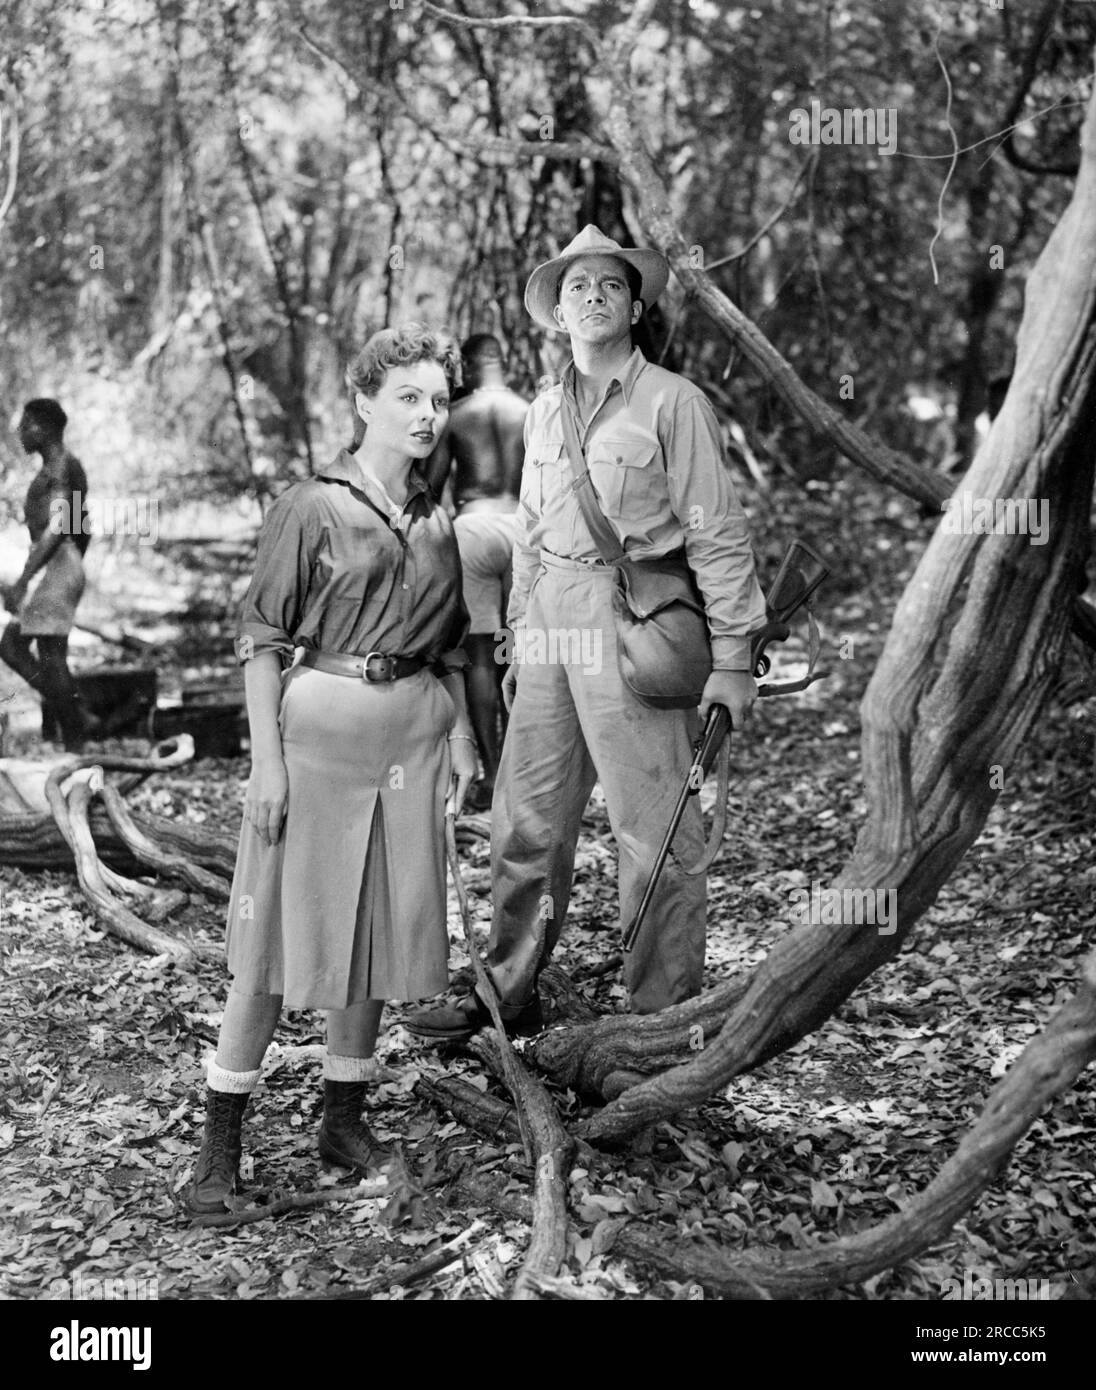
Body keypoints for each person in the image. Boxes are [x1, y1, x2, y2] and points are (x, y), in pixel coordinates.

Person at [408, 225, 767, 1043]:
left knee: (652, 831)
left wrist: (735, 659)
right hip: (551, 624)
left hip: (632, 613)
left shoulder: (673, 402)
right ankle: (510, 987)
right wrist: (521, 643)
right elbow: (532, 536)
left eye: (609, 284)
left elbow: (717, 533)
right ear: (557, 313)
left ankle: (660, 1018)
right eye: (577, 287)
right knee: (525, 817)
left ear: (635, 306)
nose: (593, 296)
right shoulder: (542, 412)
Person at [187, 324, 477, 1217]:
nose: (427, 416)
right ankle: (217, 1157)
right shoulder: (310, 506)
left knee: (378, 933)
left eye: (438, 401)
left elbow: (452, 647)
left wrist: (461, 737)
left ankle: (342, 1122)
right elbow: (261, 641)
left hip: (413, 741)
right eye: (408, 399)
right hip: (318, 742)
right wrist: (266, 766)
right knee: (274, 937)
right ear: (363, 403)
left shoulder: (437, 519)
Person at [424, 334, 529, 808]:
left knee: (482, 657)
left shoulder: (457, 416)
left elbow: (431, 486)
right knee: (522, 651)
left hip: (474, 529)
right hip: (526, 532)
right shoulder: (530, 412)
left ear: (465, 366)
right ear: (503, 363)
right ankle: (529, 768)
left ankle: (493, 770)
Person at [0, 399, 94, 750]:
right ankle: (71, 722)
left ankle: (76, 726)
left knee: (25, 649)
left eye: (26, 425)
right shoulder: (58, 467)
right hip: (60, 565)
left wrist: (26, 579)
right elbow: (82, 526)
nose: (21, 432)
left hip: (58, 564)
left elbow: (59, 527)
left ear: (43, 427)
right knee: (40, 652)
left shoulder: (60, 467)